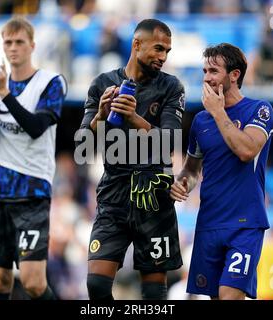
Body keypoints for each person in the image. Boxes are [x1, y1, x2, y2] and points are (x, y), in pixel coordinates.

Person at [77, 19, 185, 300]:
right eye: (159, 48)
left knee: (153, 293)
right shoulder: (101, 84)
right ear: (137, 44)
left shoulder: (172, 87)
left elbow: (171, 140)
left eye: (167, 51)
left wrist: (135, 118)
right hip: (114, 194)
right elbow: (84, 147)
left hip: (153, 195)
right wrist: (101, 115)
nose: (163, 57)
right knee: (97, 286)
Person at [0, 16, 67, 300]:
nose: (13, 48)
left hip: (31, 192)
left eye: (19, 42)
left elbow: (36, 128)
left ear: (32, 45)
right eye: (8, 42)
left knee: (33, 282)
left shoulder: (50, 83)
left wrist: (5, 94)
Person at [170, 43, 273, 300]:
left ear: (234, 75)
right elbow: (192, 170)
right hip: (209, 223)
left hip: (245, 223)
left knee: (229, 295)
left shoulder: (259, 109)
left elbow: (247, 151)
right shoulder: (200, 121)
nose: (206, 77)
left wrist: (218, 113)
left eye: (214, 71)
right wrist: (181, 183)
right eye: (205, 70)